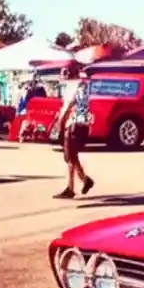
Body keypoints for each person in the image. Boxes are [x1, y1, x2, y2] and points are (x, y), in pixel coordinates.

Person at [54, 70, 95, 199]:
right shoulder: (85, 88)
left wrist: (60, 123)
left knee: (70, 156)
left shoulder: (74, 88)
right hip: (81, 124)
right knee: (72, 156)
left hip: (74, 125)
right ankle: (82, 182)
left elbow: (69, 107)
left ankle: (74, 186)